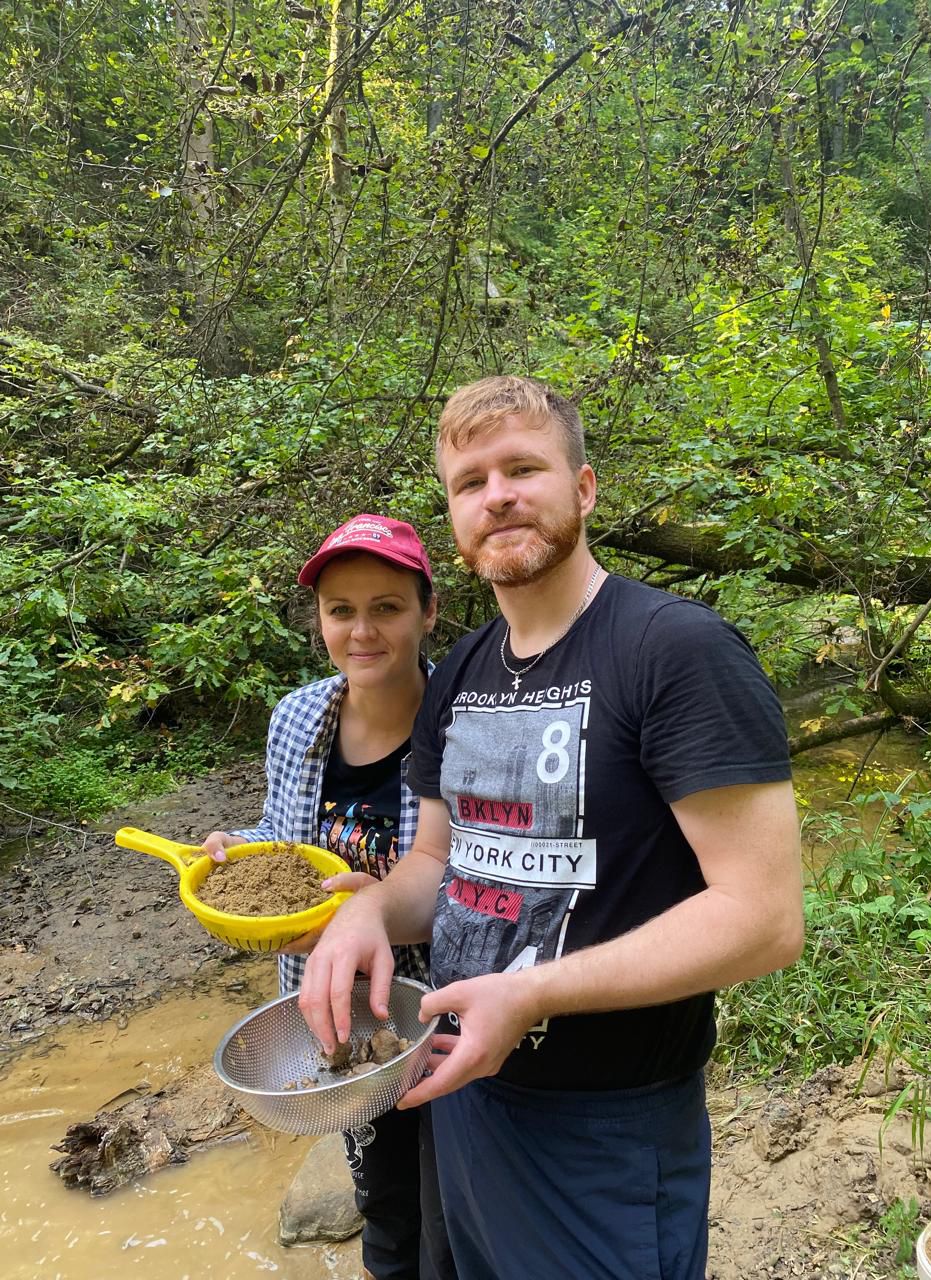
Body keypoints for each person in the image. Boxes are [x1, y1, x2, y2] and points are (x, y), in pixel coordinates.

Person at [299, 377, 805, 1280]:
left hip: (606, 1124)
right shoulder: (457, 672)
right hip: (459, 1090)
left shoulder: (675, 652)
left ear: (584, 488)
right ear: (455, 516)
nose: (497, 496)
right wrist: (373, 912)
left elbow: (763, 918)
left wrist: (532, 994)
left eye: (523, 468)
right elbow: (434, 862)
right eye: (469, 481)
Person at [201, 513, 456, 1280]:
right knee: (384, 1206)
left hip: (446, 1013)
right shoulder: (298, 717)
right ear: (319, 619)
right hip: (340, 1022)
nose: (362, 631)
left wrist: (378, 900)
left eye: (387, 607)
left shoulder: (465, 719)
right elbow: (283, 841)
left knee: (455, 1216)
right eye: (341, 610)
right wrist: (233, 851)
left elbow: (497, 879)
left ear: (428, 611)